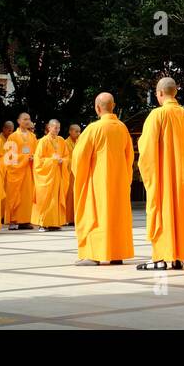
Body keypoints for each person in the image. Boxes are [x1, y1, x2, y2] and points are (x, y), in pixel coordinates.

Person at [137, 79, 184, 268]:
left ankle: (160, 258)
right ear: (174, 93)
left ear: (160, 93)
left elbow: (147, 148)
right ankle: (177, 257)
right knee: (180, 214)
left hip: (162, 177)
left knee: (162, 212)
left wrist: (150, 174)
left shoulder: (156, 115)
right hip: (183, 176)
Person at [72, 94, 135, 265]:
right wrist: (125, 177)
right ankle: (116, 253)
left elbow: (79, 158)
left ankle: (95, 254)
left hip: (98, 182)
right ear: (113, 106)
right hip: (119, 181)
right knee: (116, 215)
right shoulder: (122, 128)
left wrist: (82, 176)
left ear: (97, 107)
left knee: (97, 214)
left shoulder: (94, 129)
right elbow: (129, 157)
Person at [33, 119, 71, 232]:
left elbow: (67, 157)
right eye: (55, 127)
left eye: (59, 128)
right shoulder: (43, 141)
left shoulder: (61, 141)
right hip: (47, 176)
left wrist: (62, 161)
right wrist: (52, 161)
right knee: (46, 198)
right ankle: (43, 223)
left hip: (58, 174)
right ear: (49, 128)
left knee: (56, 199)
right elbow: (38, 160)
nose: (57, 130)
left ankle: (55, 223)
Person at [3, 113, 37, 230]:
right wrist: (25, 157)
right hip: (16, 171)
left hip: (28, 170)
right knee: (14, 195)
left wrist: (33, 158)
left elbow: (37, 153)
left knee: (27, 196)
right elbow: (9, 157)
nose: (27, 121)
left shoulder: (33, 137)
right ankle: (13, 220)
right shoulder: (12, 137)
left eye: (29, 119)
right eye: (25, 119)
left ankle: (25, 220)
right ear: (18, 121)